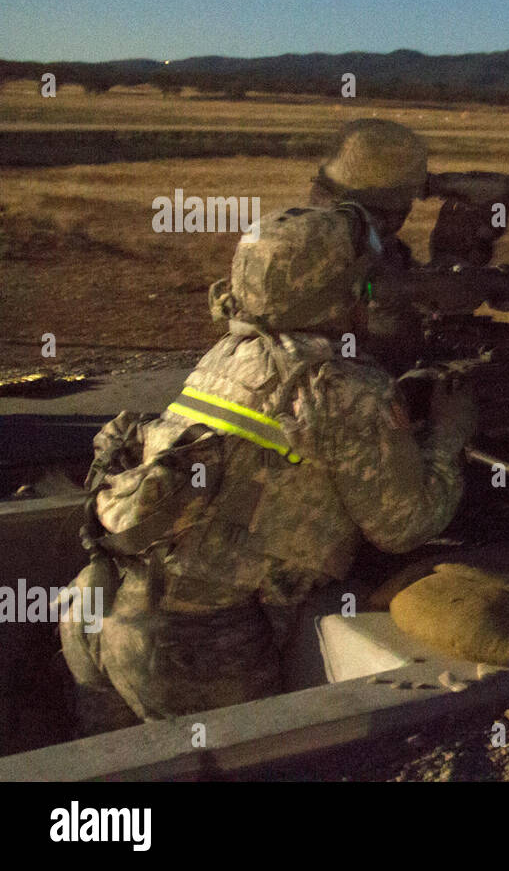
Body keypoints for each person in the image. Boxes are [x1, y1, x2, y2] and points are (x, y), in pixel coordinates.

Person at [60, 119, 477, 733]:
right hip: (194, 651)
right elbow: (406, 525)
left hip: (99, 614)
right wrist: (449, 434)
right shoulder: (340, 386)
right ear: (341, 292)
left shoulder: (230, 355)